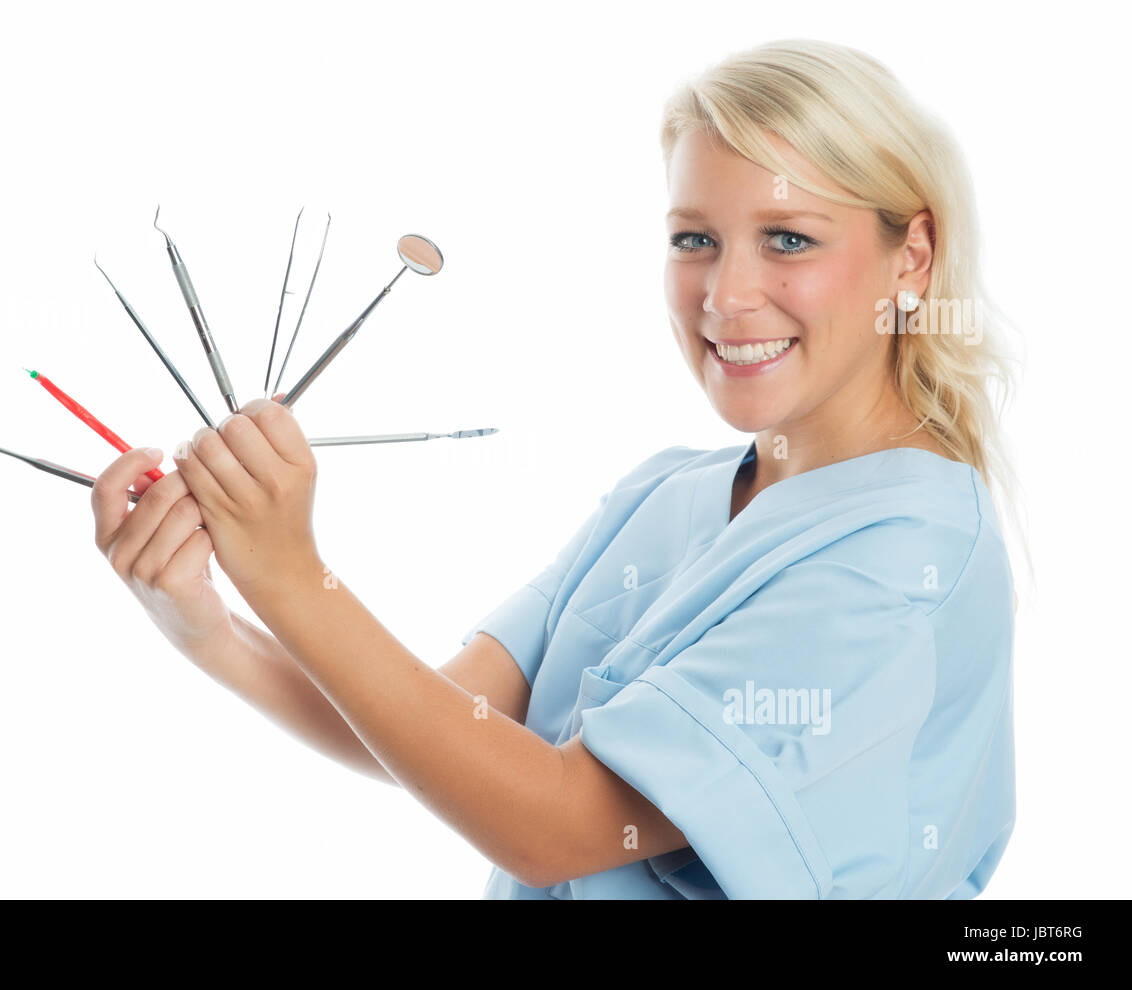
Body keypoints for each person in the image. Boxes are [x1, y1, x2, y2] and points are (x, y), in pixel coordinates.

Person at [89, 38, 1024, 899]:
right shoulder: (668, 496)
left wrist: (290, 574)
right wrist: (203, 621)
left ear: (913, 255)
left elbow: (565, 824)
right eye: (694, 238)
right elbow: (436, 725)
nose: (727, 295)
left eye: (789, 238)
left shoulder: (907, 556)